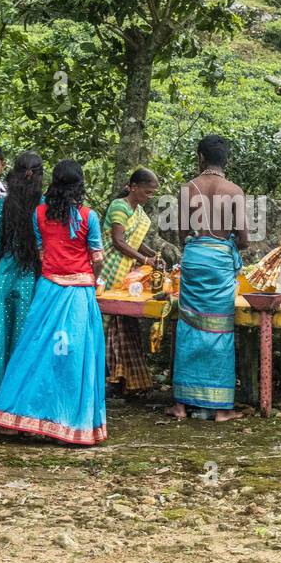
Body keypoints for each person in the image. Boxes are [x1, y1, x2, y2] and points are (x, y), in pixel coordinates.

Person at [0, 159, 107, 445]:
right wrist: (93, 277)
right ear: (80, 185)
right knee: (73, 356)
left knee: (36, 351)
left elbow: (41, 252)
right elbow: (98, 258)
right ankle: (70, 423)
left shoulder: (40, 213)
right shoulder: (88, 216)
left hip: (48, 290)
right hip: (79, 295)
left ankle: (21, 415)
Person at [168, 135, 247, 422]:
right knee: (219, 331)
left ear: (200, 157)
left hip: (194, 258)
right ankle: (221, 408)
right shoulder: (235, 191)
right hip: (219, 264)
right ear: (227, 160)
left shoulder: (188, 189)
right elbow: (245, 239)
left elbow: (180, 233)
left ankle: (180, 406)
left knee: (189, 327)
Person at [0, 151, 44, 404]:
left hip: (4, 276)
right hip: (31, 278)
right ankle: (20, 403)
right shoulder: (44, 205)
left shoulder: (2, 204)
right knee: (25, 340)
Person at [100, 168, 161, 394]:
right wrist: (145, 259)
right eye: (147, 192)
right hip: (109, 271)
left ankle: (120, 378)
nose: (149, 196)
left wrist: (153, 256)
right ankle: (104, 378)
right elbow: (118, 241)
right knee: (105, 326)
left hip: (125, 273)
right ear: (133, 187)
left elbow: (137, 242)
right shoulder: (120, 207)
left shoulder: (139, 213)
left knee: (121, 325)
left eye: (153, 193)